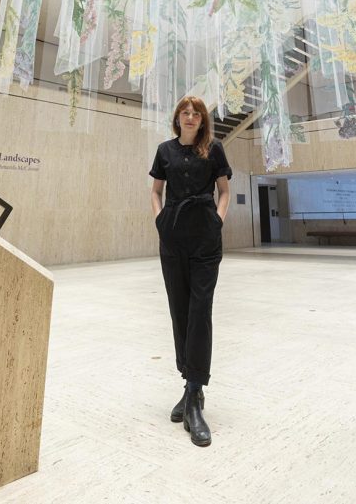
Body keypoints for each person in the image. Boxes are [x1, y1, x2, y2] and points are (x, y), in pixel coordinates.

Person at [149, 95, 232, 447]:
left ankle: (195, 397)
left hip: (205, 242)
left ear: (202, 120)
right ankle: (189, 387)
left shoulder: (214, 150)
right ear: (177, 117)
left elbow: (224, 191)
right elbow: (155, 190)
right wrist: (160, 220)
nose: (190, 116)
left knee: (200, 312)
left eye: (196, 113)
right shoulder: (164, 150)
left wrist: (217, 221)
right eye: (184, 111)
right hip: (172, 240)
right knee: (179, 312)